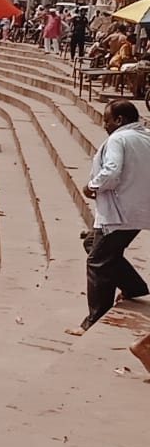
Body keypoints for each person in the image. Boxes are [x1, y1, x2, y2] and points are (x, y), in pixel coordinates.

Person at [67, 100, 150, 335]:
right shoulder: (145, 136)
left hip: (119, 212)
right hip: (137, 210)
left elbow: (112, 171)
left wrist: (91, 186)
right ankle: (134, 287)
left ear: (119, 120)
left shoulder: (118, 139)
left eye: (107, 120)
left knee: (98, 262)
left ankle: (94, 320)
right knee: (93, 244)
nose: (105, 125)